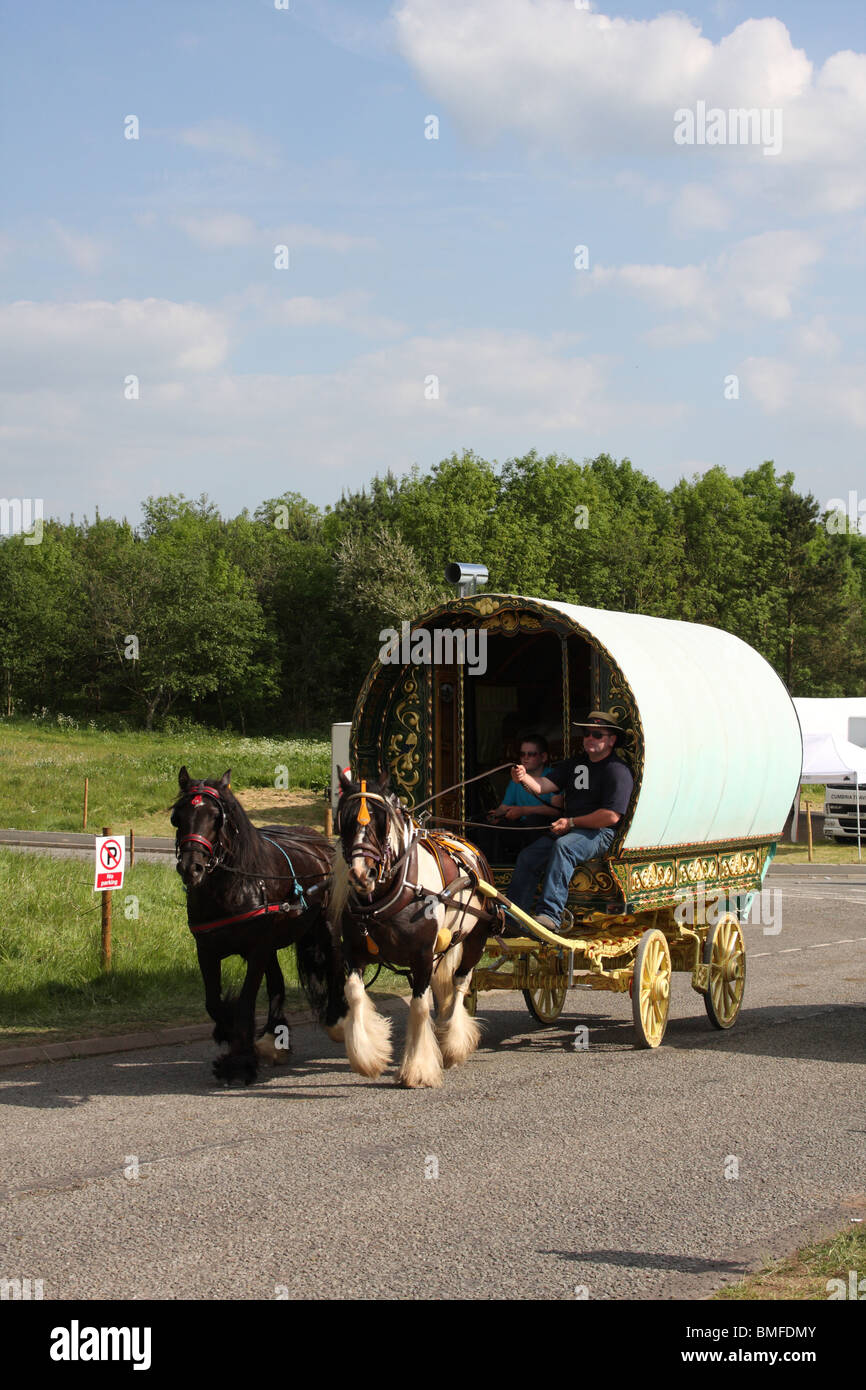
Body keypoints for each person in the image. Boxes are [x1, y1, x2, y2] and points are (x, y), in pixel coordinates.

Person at [505, 710, 634, 930]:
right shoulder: (575, 764)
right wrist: (523, 777)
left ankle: (550, 916)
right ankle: (514, 919)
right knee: (528, 857)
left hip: (599, 833)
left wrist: (572, 822)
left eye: (597, 735)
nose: (589, 739)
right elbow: (542, 786)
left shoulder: (617, 770)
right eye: (587, 734)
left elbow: (611, 816)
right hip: (571, 829)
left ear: (612, 740)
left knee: (564, 847)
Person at [482, 734, 563, 863]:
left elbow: (556, 811)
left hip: (542, 828)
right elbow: (505, 806)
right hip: (520, 827)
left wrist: (524, 810)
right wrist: (496, 815)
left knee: (534, 820)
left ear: (543, 757)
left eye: (531, 754)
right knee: (493, 828)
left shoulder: (553, 776)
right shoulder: (516, 780)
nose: (525, 758)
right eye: (522, 754)